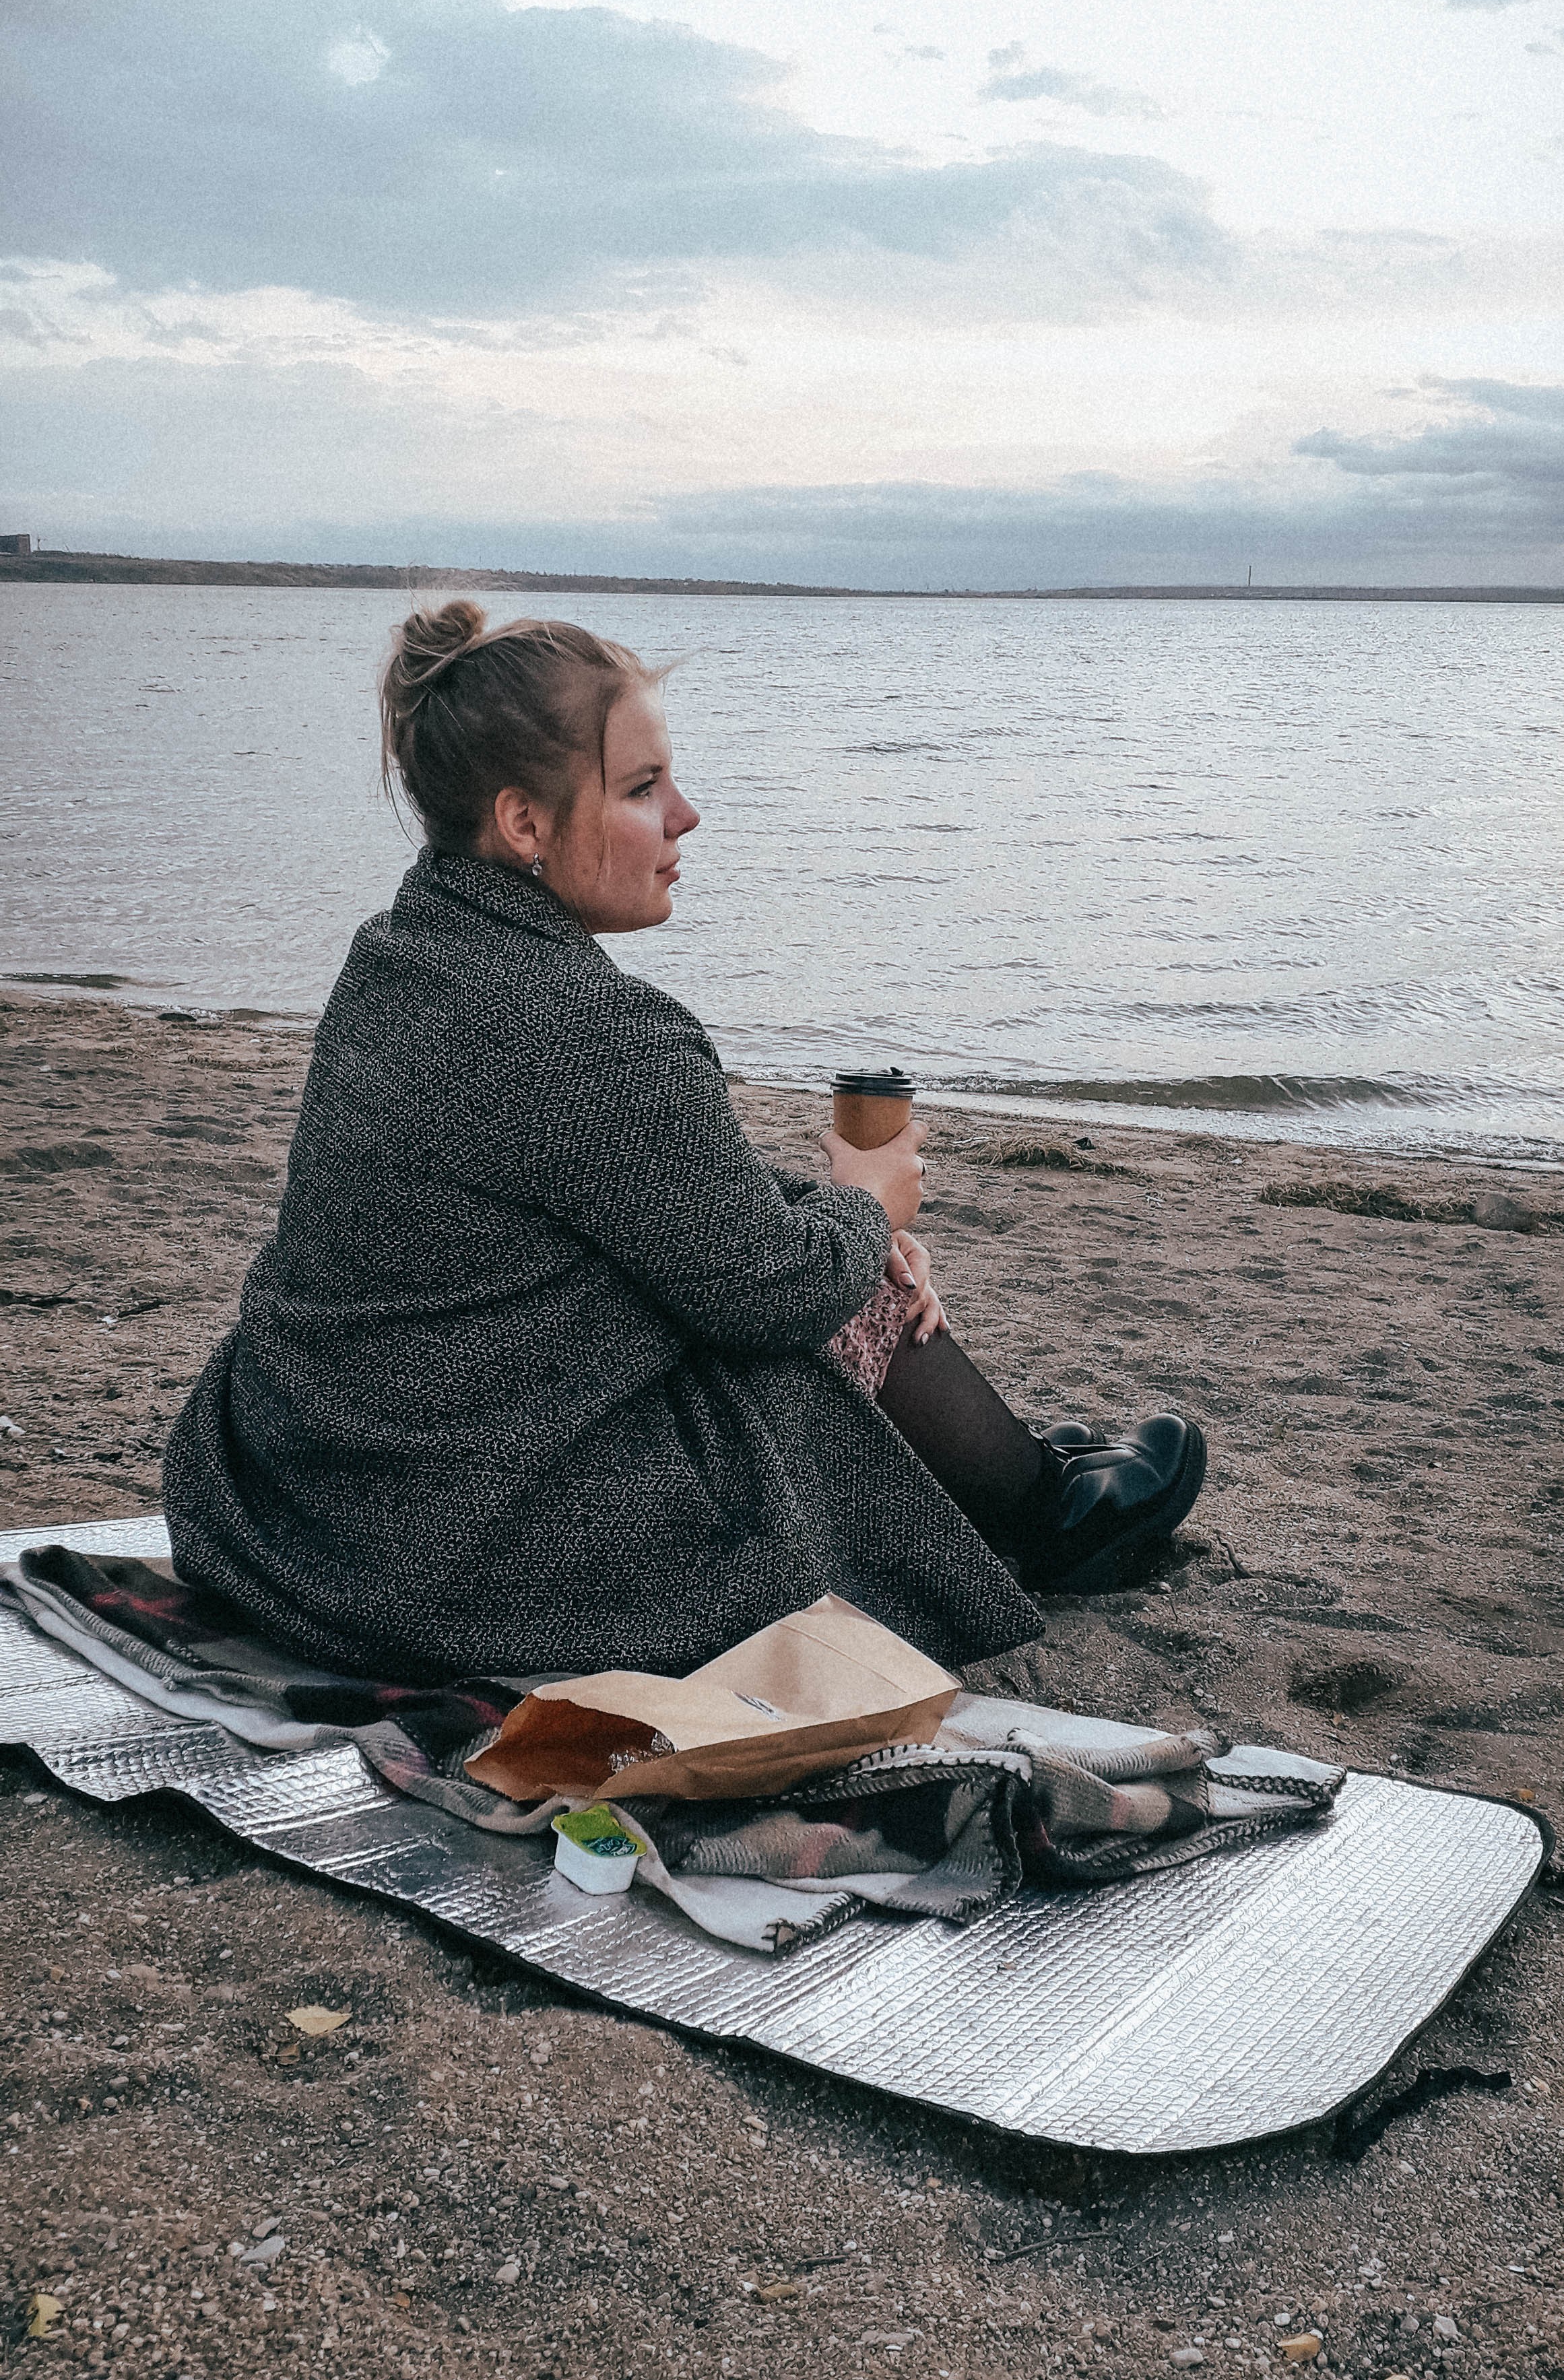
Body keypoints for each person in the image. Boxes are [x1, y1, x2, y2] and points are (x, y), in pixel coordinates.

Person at [164, 605, 1206, 1683]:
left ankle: (1010, 1474)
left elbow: (633, 1180)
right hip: (455, 1544)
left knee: (788, 1248)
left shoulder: (400, 953)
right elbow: (771, 1294)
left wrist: (837, 1212)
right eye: (640, 789)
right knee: (769, 1321)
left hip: (302, 1493)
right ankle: (1046, 1519)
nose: (687, 815)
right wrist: (867, 1206)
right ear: (523, 825)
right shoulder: (596, 1032)